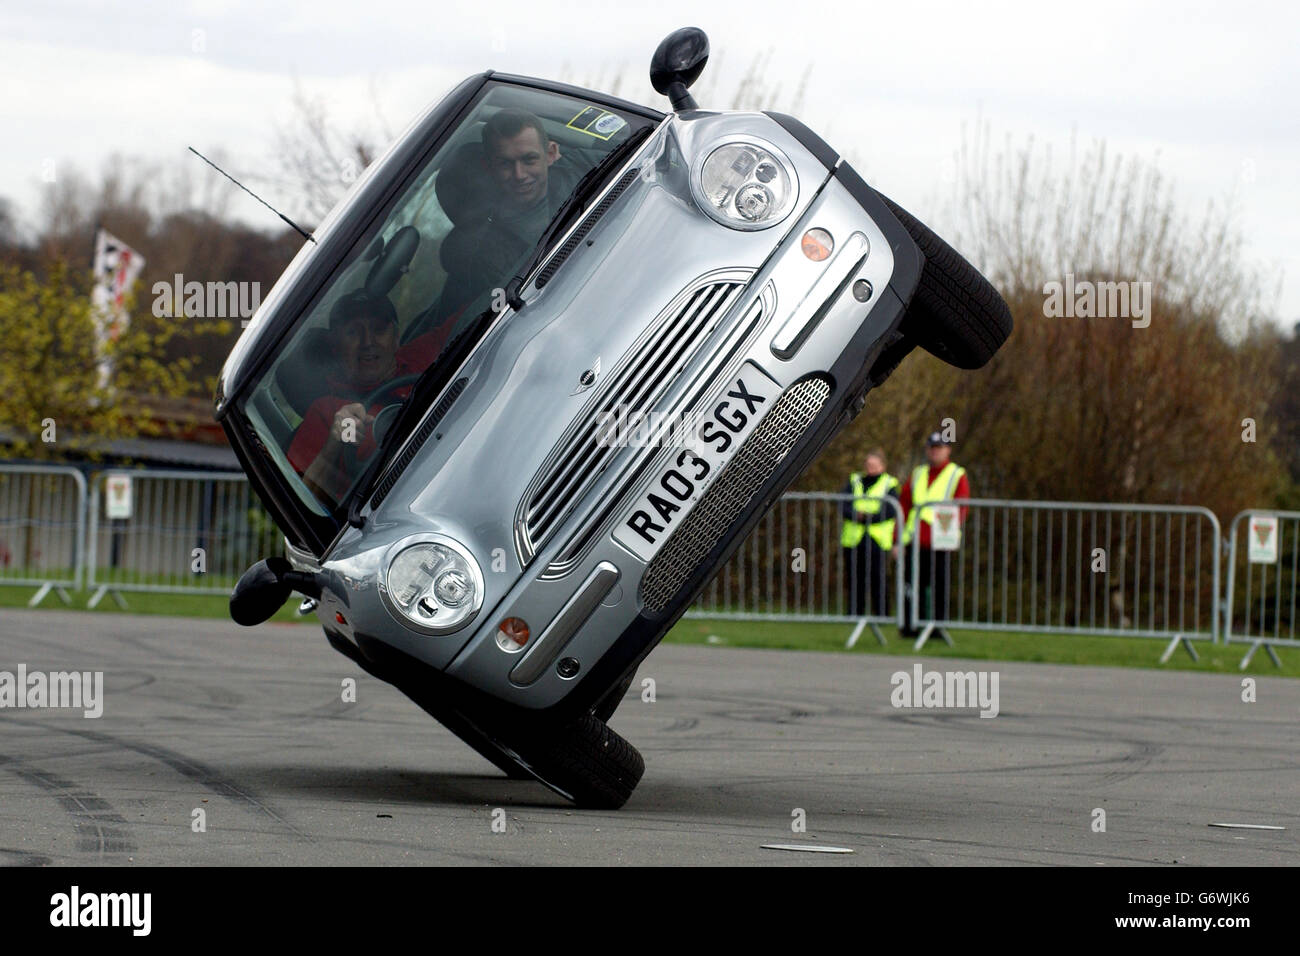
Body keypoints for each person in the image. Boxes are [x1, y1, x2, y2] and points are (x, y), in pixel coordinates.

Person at [286, 290, 452, 504]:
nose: (368, 342)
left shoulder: (423, 352)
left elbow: (482, 312)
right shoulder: (325, 411)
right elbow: (304, 503)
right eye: (353, 332)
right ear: (336, 346)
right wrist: (334, 443)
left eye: (379, 329)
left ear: (396, 337)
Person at [898, 431, 970, 637]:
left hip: (940, 540)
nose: (935, 452)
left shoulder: (956, 474)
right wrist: (898, 539)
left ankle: (938, 627)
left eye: (939, 448)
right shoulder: (918, 473)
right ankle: (911, 626)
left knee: (939, 586)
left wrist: (950, 531)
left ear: (947, 450)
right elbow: (904, 505)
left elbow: (962, 506)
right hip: (915, 538)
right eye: (932, 448)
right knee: (913, 585)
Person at [840, 450, 899, 616]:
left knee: (878, 579)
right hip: (854, 538)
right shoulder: (855, 480)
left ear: (883, 466)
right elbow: (843, 504)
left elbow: (890, 509)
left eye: (874, 465)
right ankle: (854, 614)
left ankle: (881, 614)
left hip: (877, 540)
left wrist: (867, 517)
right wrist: (855, 515)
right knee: (854, 579)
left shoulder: (890, 483)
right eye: (868, 465)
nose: (870, 468)